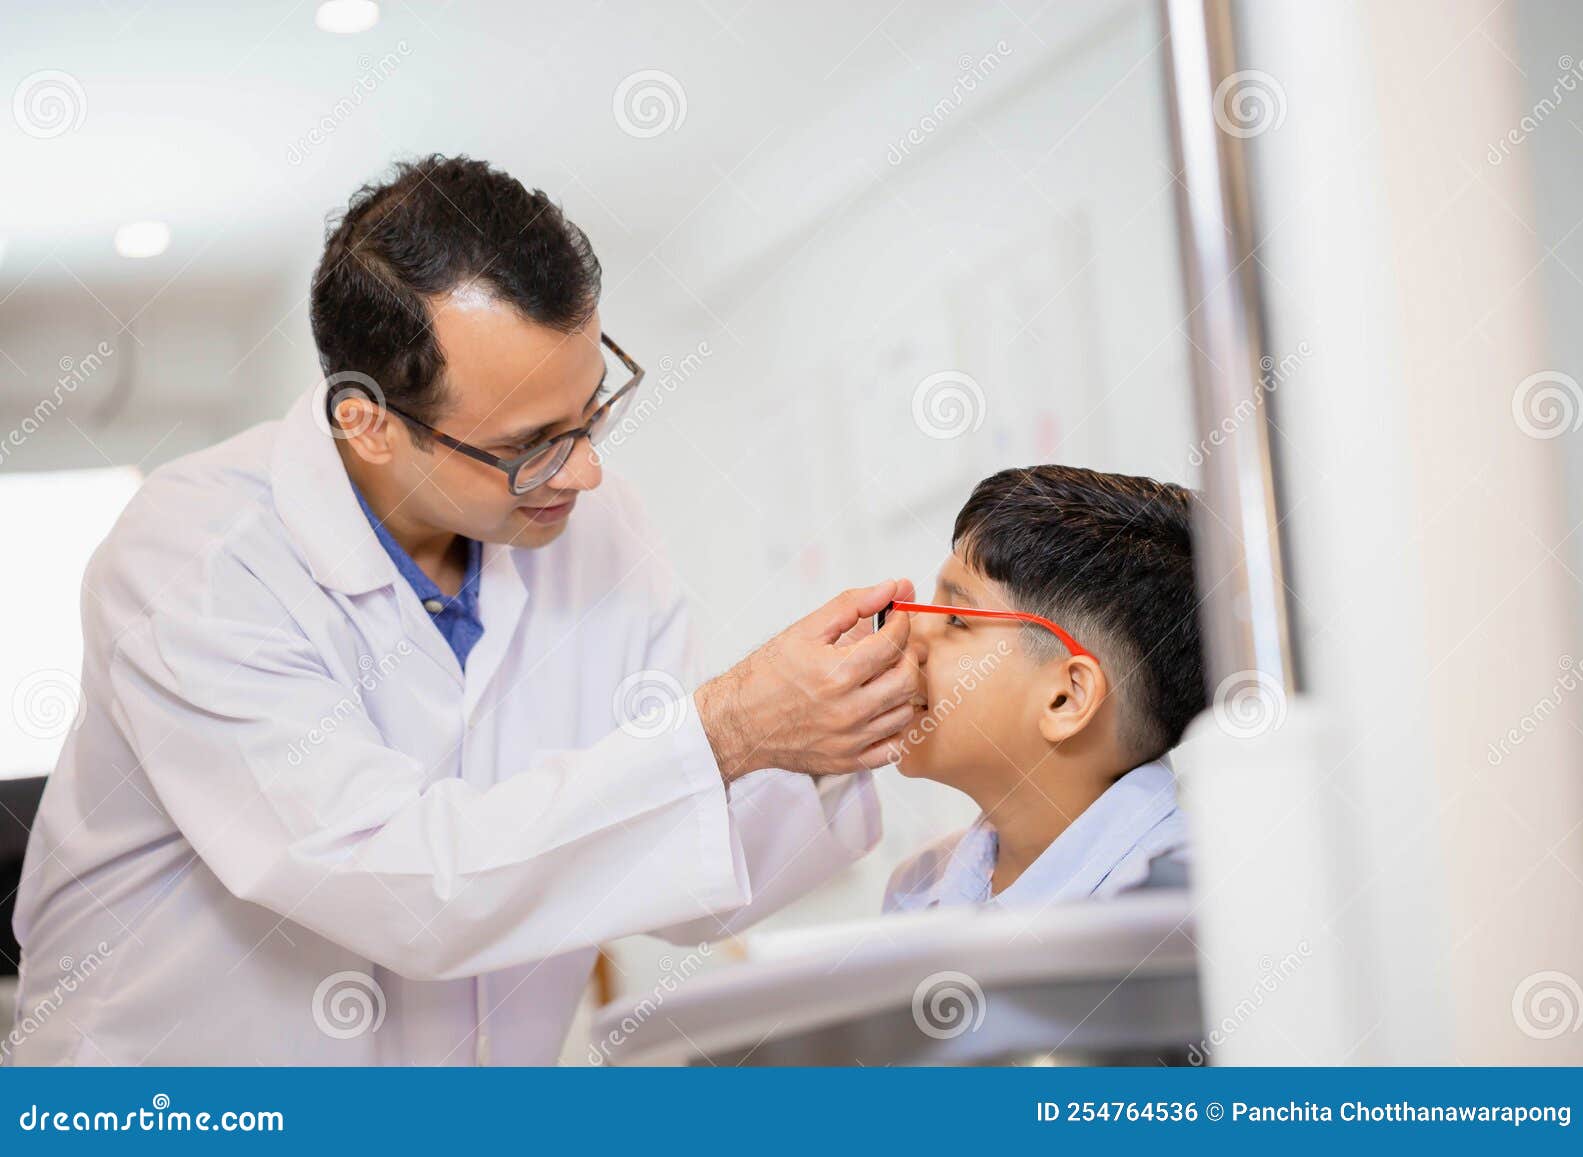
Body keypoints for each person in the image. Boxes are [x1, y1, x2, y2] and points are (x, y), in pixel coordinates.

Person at [9, 156, 919, 1065]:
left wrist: (847, 725)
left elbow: (673, 867)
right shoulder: (196, 557)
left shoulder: (600, 530)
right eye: (528, 445)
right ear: (365, 421)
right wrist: (726, 727)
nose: (584, 471)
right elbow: (403, 888)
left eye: (592, 409)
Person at [882, 465, 1205, 913]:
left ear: (1065, 698)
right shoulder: (916, 889)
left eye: (956, 619)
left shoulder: (1175, 906)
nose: (904, 635)